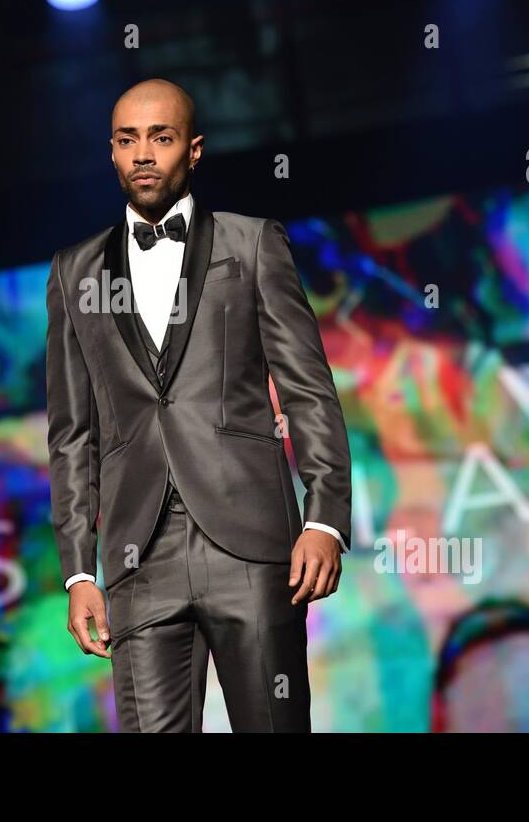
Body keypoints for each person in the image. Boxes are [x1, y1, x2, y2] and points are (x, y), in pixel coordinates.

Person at [45, 78, 352, 732]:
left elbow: (307, 389)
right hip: (138, 557)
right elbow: (73, 433)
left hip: (249, 541)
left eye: (162, 137)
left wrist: (325, 519)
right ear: (112, 153)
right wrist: (78, 572)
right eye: (128, 140)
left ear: (195, 148)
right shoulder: (74, 272)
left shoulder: (252, 243)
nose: (144, 154)